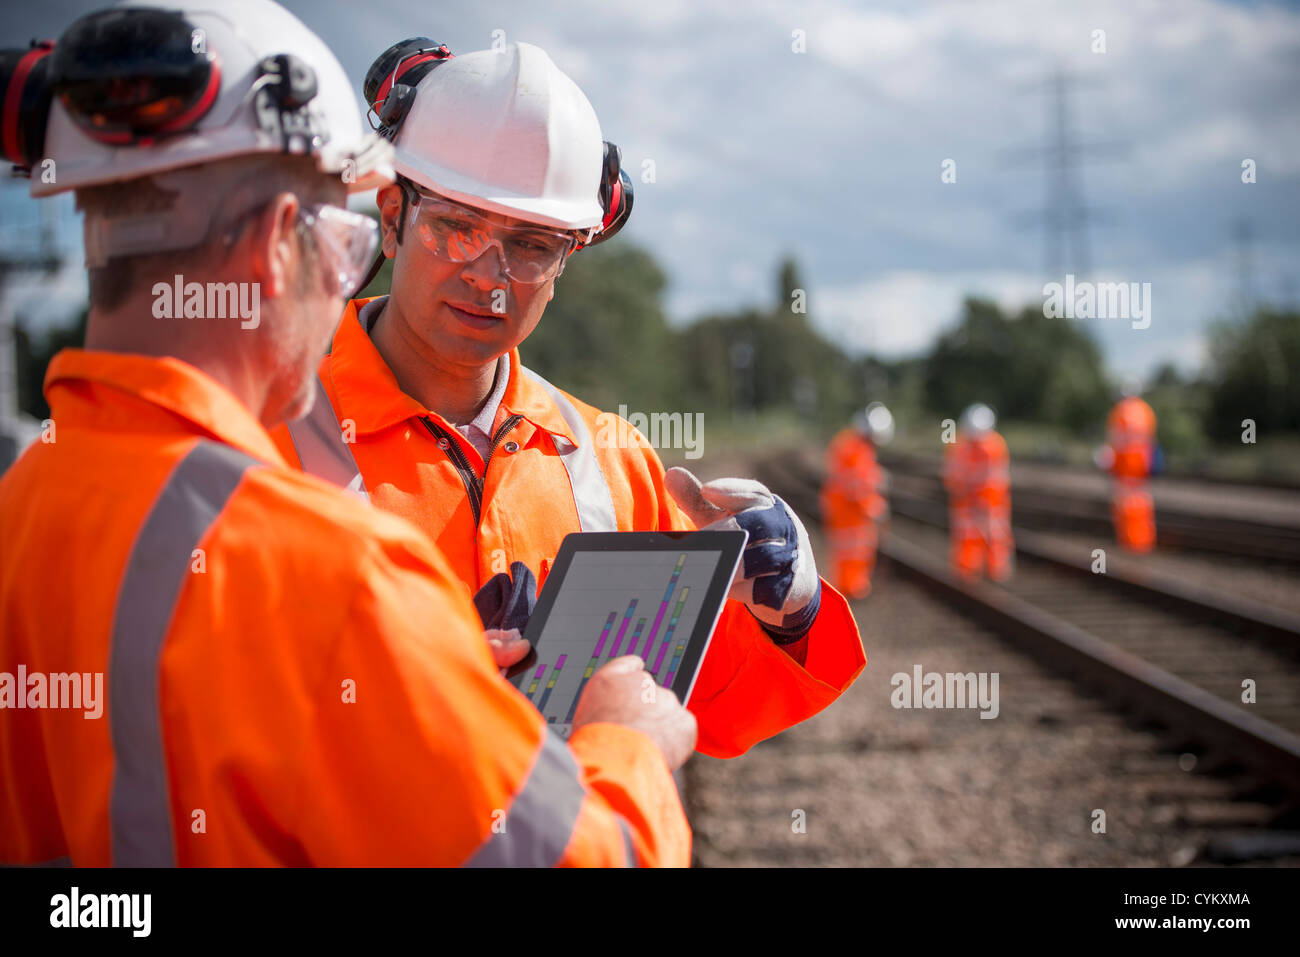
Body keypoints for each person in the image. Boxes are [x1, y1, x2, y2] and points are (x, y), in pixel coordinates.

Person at [0, 0, 694, 867]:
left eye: (532, 246)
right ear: (274, 247)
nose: (343, 288)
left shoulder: (23, 505)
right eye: (343, 242)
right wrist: (627, 745)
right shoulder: (340, 575)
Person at [270, 38, 866, 759]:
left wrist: (788, 615)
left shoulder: (611, 463)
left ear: (569, 257)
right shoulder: (264, 425)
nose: (491, 277)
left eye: (531, 245)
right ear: (393, 218)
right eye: (457, 229)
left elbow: (709, 707)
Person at [821, 402, 893, 599]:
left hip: (839, 508)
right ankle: (854, 589)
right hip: (852, 512)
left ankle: (846, 588)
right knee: (856, 552)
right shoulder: (858, 451)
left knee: (843, 553)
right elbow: (858, 488)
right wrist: (876, 508)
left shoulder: (846, 442)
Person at [943, 403, 1013, 581]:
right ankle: (966, 573)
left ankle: (996, 572)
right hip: (966, 504)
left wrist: (986, 500)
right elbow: (951, 476)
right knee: (967, 539)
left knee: (995, 538)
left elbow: (998, 478)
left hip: (991, 504)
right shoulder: (958, 447)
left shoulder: (996, 446)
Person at [1098, 380, 1159, 552]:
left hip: (1124, 468)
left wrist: (1109, 463)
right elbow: (1151, 441)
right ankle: (1143, 541)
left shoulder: (1120, 412)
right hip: (1143, 468)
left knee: (1124, 503)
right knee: (1142, 503)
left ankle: (1128, 541)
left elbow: (1115, 441)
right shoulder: (1146, 411)